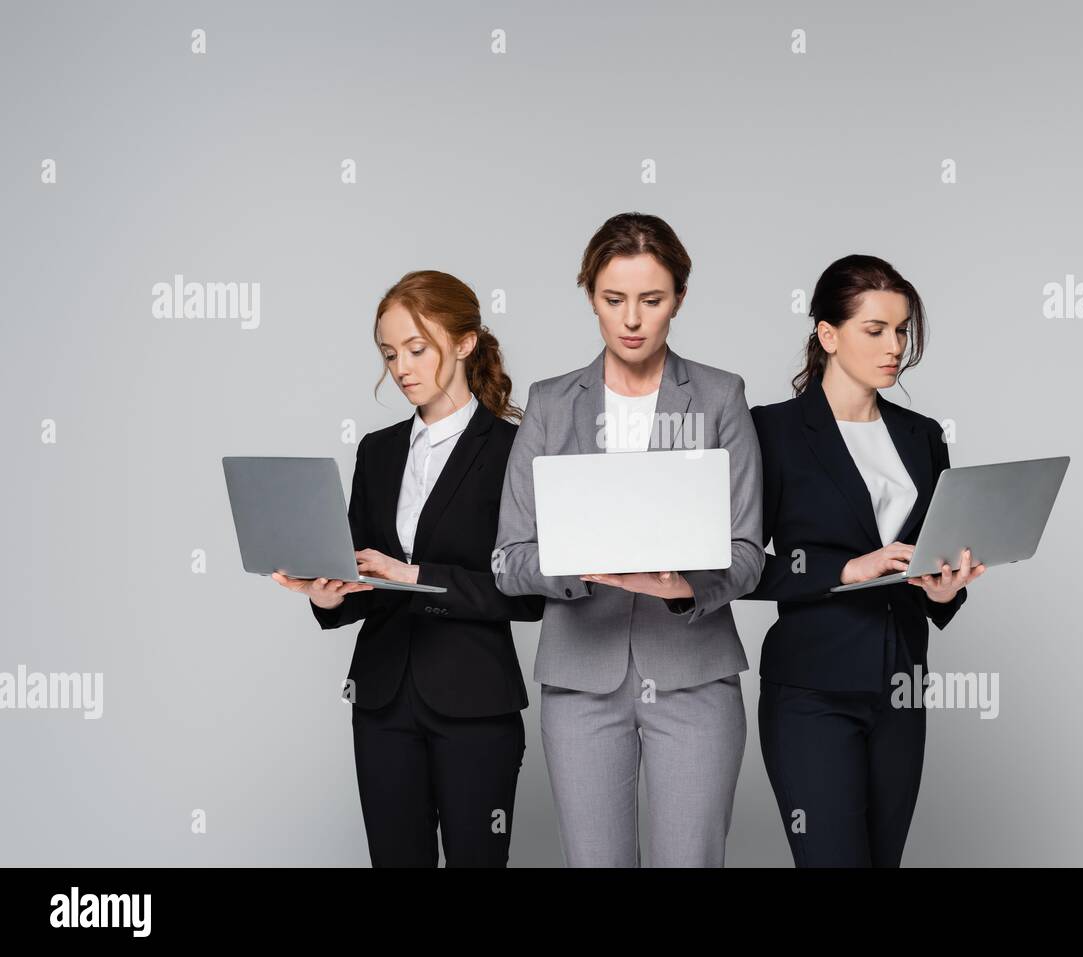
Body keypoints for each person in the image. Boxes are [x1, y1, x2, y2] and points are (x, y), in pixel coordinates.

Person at [492, 212, 764, 867]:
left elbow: (749, 553)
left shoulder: (722, 396)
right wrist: (579, 566)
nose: (633, 319)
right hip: (581, 679)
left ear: (679, 299)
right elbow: (507, 560)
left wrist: (687, 584)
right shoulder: (551, 403)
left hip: (694, 674)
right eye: (614, 300)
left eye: (652, 299)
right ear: (591, 296)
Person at [272, 270, 543, 867]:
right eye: (390, 353)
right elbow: (366, 579)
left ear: (465, 342)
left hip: (476, 701)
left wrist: (414, 575)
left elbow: (527, 595)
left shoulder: (513, 451)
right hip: (382, 700)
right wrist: (328, 594)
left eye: (416, 349)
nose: (401, 367)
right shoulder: (378, 449)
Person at [745, 254, 986, 867]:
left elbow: (933, 553)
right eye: (874, 330)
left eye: (901, 330)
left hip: (902, 687)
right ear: (828, 334)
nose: (894, 347)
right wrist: (844, 569)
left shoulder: (922, 435)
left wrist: (944, 590)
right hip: (812, 690)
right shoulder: (769, 433)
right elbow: (732, 565)